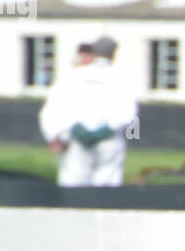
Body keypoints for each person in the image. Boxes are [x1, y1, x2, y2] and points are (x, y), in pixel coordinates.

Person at [38, 36, 137, 187]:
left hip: (75, 138)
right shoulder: (121, 78)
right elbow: (128, 113)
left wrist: (54, 135)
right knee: (107, 188)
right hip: (108, 140)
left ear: (94, 52)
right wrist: (104, 131)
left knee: (73, 186)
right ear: (113, 54)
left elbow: (52, 109)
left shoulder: (73, 75)